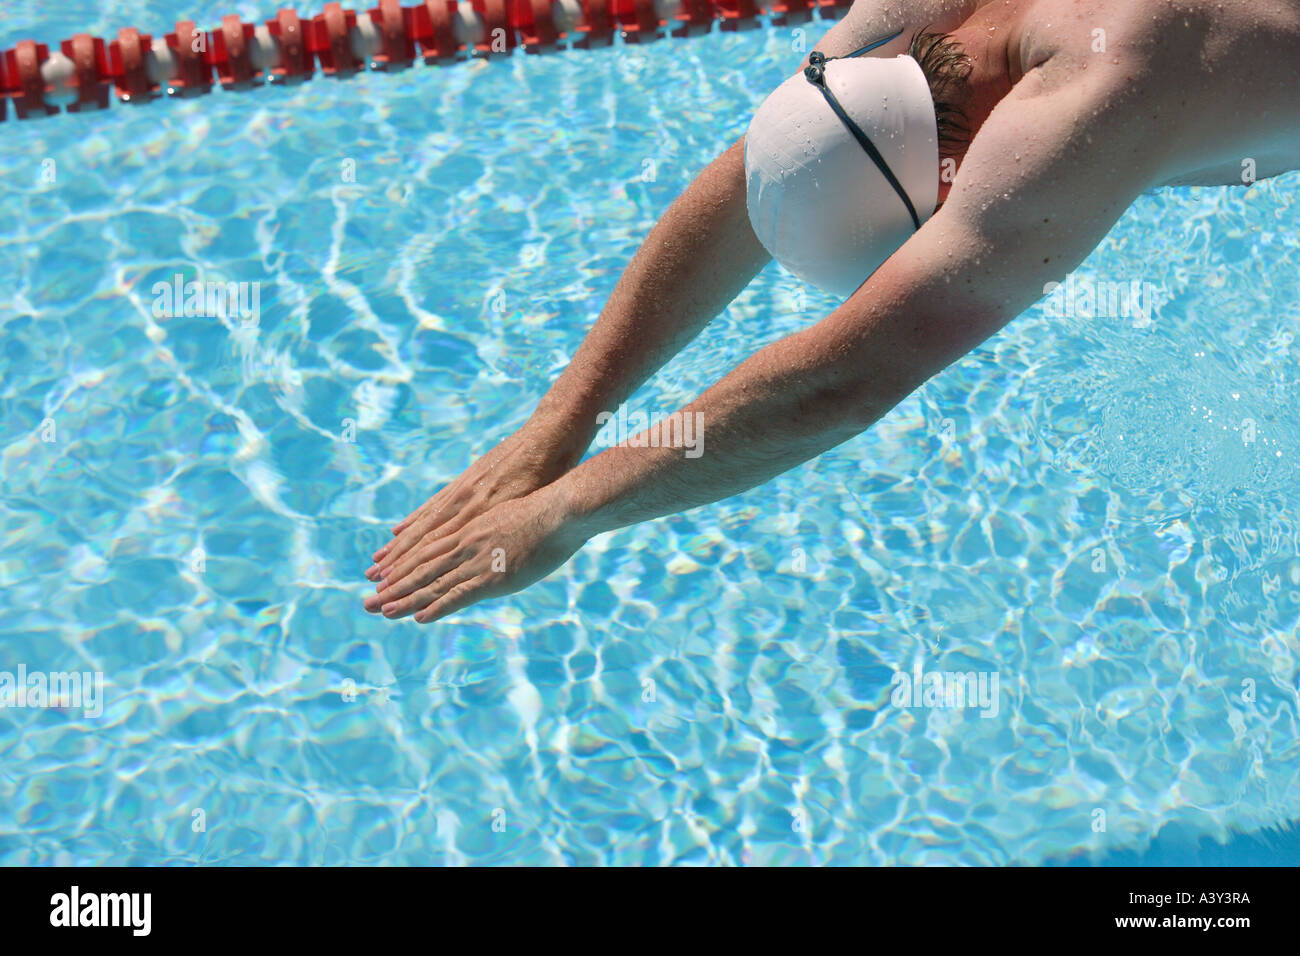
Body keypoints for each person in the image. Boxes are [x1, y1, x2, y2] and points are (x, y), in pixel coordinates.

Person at [362, 0, 1300, 623]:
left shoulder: (1090, 100)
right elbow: (759, 172)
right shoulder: (892, 34)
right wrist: (560, 423)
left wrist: (565, 514)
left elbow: (848, 376)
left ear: (949, 187)